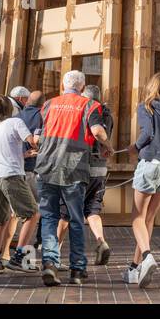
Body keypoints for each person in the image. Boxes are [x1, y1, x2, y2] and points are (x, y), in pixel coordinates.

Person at [33, 70, 109, 286]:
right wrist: (108, 145)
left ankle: (49, 264)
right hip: (74, 170)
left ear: (62, 86)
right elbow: (97, 132)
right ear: (83, 88)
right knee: (76, 219)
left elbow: (38, 137)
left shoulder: (48, 105)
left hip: (47, 168)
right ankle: (77, 270)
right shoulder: (89, 106)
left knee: (49, 218)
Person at [124, 74, 160, 288]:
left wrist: (135, 147)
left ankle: (148, 256)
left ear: (151, 87)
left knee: (137, 217)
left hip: (152, 163)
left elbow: (147, 133)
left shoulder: (146, 106)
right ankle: (134, 267)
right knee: (148, 218)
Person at [0, 96, 40, 275]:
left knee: (2, 220)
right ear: (10, 109)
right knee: (32, 214)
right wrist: (39, 135)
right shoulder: (16, 122)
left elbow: (4, 152)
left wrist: (24, 156)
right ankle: (19, 256)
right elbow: (32, 140)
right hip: (12, 176)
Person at [58, 83, 112, 267]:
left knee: (65, 212)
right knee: (93, 209)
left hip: (80, 167)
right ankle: (100, 242)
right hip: (100, 169)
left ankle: (54, 253)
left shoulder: (86, 110)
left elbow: (93, 132)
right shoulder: (107, 114)